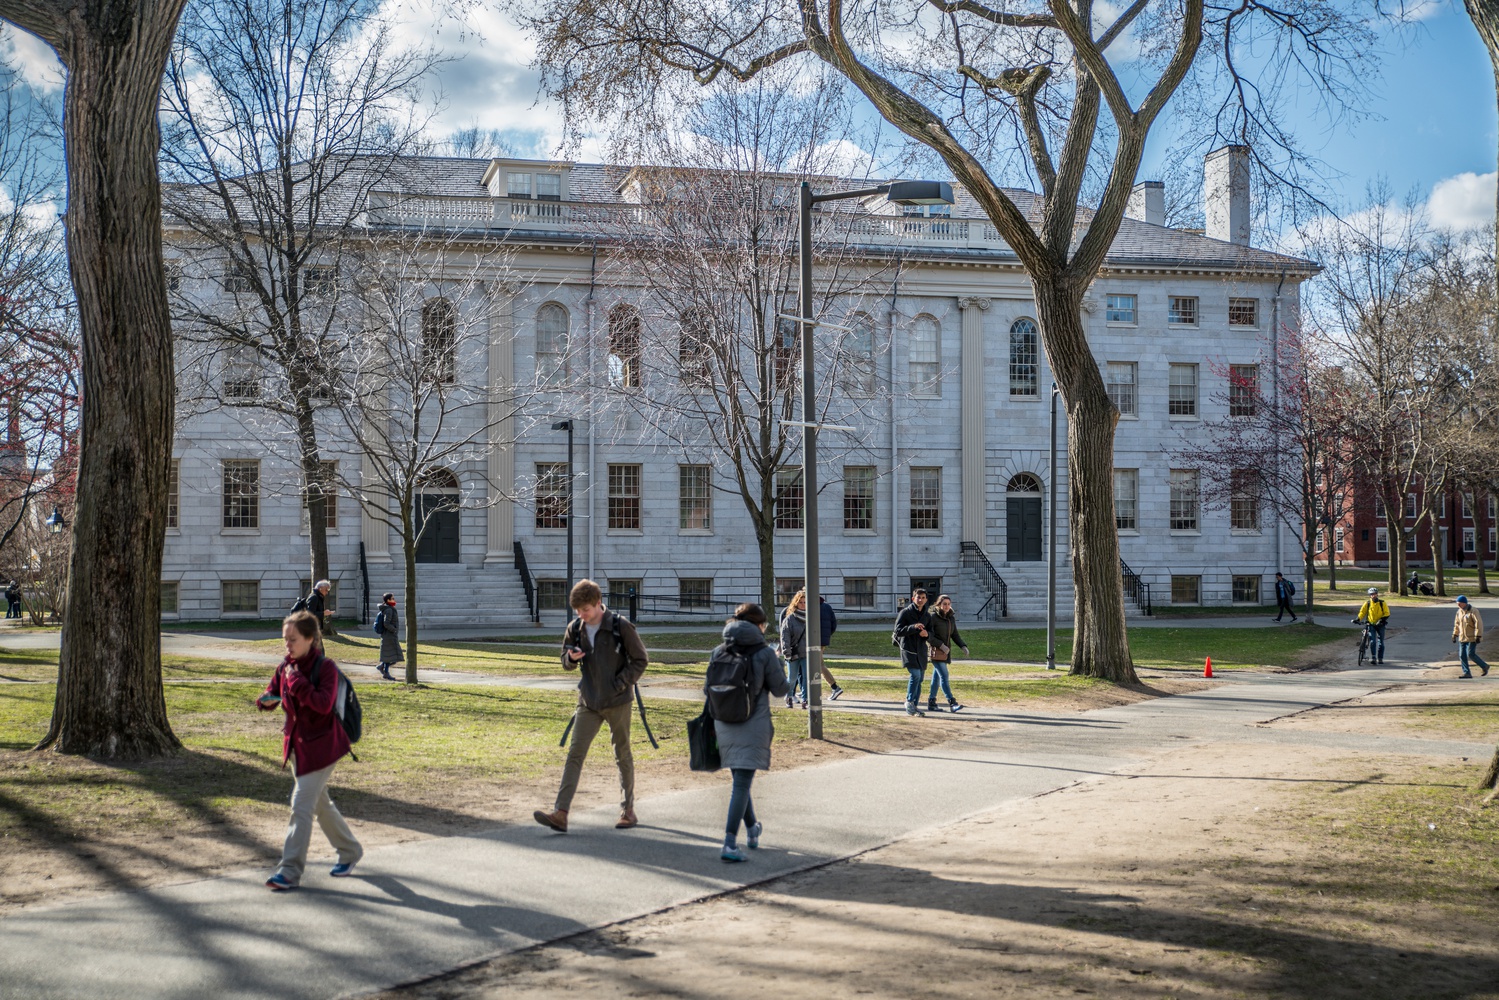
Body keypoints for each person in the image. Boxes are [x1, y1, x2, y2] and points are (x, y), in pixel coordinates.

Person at [257, 610, 362, 891]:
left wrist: (297, 682)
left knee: (301, 805)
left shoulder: (325, 668)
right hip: (296, 750)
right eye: (285, 639)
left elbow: (323, 704)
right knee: (320, 804)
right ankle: (350, 851)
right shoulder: (285, 667)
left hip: (324, 748)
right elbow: (272, 693)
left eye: (292, 639)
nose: (287, 645)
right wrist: (266, 701)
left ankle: (289, 871)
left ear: (310, 639)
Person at [534, 579, 648, 833]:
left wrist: (621, 683)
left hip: (618, 700)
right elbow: (565, 661)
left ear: (598, 604)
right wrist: (570, 659)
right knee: (575, 754)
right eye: (577, 611)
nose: (581, 615)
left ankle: (628, 810)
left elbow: (641, 659)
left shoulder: (621, 626)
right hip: (588, 701)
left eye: (585, 610)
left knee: (622, 754)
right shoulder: (575, 628)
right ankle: (560, 813)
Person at [710, 603, 789, 862]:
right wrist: (777, 661)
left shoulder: (719, 650)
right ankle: (730, 843)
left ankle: (753, 829)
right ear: (758, 626)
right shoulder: (764, 653)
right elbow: (781, 690)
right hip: (752, 723)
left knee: (739, 782)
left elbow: (707, 689)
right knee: (742, 783)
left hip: (722, 722)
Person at [893, 588, 934, 716]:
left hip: (921, 650)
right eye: (918, 597)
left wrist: (926, 634)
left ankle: (914, 706)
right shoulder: (905, 613)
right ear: (913, 598)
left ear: (926, 599)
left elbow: (931, 633)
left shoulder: (927, 616)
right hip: (908, 649)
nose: (920, 600)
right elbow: (898, 631)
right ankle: (909, 701)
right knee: (915, 675)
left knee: (920, 678)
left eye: (923, 597)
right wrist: (913, 627)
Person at [926, 594, 970, 713]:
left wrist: (963, 646)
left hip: (945, 653)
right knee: (944, 676)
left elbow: (954, 634)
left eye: (948, 604)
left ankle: (931, 702)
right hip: (936, 652)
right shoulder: (933, 617)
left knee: (936, 678)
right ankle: (952, 702)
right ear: (939, 604)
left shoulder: (951, 618)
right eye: (944, 604)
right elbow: (929, 636)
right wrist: (940, 645)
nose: (946, 606)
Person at [778, 591, 809, 709]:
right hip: (793, 653)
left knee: (806, 677)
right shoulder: (790, 619)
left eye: (805, 602)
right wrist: (787, 652)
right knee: (792, 677)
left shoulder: (812, 618)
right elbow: (784, 637)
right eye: (800, 602)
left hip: (806, 653)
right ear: (796, 603)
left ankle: (805, 699)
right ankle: (789, 696)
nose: (803, 604)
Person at [1451, 595, 1488, 678]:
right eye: (1457, 603)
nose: (1458, 605)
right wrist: (1455, 634)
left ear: (1464, 603)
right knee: (1462, 655)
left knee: (1470, 654)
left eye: (1459, 603)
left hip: (1472, 637)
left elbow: (1479, 623)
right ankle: (1467, 673)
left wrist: (1478, 635)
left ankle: (1484, 666)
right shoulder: (1458, 612)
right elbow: (1457, 624)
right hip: (1462, 637)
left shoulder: (1473, 611)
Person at [1353, 586, 1391, 664]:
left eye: (1375, 594)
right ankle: (1374, 657)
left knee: (1381, 643)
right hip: (1371, 624)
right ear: (1369, 595)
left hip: (1380, 625)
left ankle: (1380, 658)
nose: (1373, 595)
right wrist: (1358, 619)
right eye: (1371, 594)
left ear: (1377, 594)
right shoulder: (1367, 603)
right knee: (1373, 642)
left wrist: (1381, 620)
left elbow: (1387, 613)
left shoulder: (1382, 603)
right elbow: (1362, 612)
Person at [817, 595, 845, 700]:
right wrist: (826, 635)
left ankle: (835, 687)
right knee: (814, 664)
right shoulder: (827, 607)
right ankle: (804, 688)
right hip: (822, 640)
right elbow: (834, 624)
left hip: (814, 640)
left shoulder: (810, 607)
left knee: (819, 665)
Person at [374, 592, 402, 681]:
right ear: (388, 600)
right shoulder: (389, 610)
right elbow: (386, 623)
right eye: (392, 598)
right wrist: (394, 630)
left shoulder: (389, 609)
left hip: (390, 636)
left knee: (393, 656)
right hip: (389, 636)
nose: (394, 600)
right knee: (390, 656)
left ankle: (381, 667)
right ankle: (386, 672)